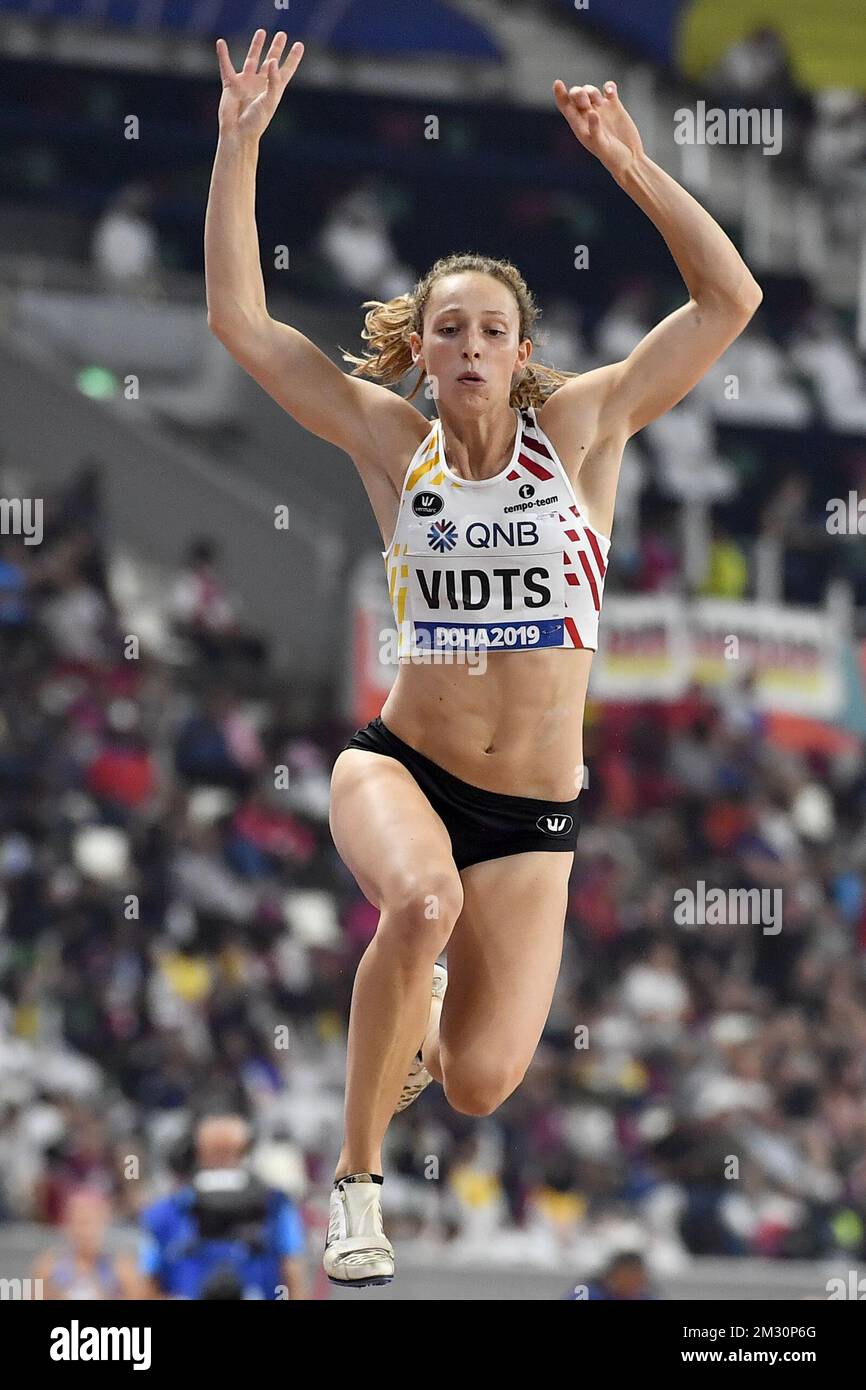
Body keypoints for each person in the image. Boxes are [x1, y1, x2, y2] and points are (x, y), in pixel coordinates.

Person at [205, 30, 762, 1287]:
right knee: (418, 902)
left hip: (530, 814)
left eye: (489, 329)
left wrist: (632, 166)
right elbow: (239, 321)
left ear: (520, 351)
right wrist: (238, 143)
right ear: (420, 347)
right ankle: (356, 1184)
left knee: (476, 1083)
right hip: (399, 762)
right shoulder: (382, 437)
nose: (464, 345)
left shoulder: (583, 429)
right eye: (445, 326)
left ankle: (412, 1033)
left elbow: (729, 303)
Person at [138, 1114, 307, 1299]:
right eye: (216, 1149)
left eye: (226, 1150)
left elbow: (292, 1269)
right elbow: (292, 1270)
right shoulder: (168, 1212)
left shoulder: (274, 1205)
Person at [32, 1188, 141, 1300]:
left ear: (103, 1223)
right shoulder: (48, 1267)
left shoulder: (123, 1270)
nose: (83, 1231)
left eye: (90, 1222)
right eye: (77, 1222)